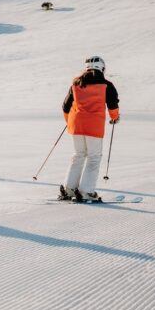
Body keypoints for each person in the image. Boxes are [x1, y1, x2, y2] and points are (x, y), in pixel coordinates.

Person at [59, 55, 119, 202]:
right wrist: (114, 117)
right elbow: (112, 104)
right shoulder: (106, 85)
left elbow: (65, 106)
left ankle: (69, 189)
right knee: (93, 158)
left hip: (76, 124)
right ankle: (86, 191)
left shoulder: (76, 83)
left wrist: (69, 121)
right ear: (102, 68)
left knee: (78, 155)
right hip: (94, 125)